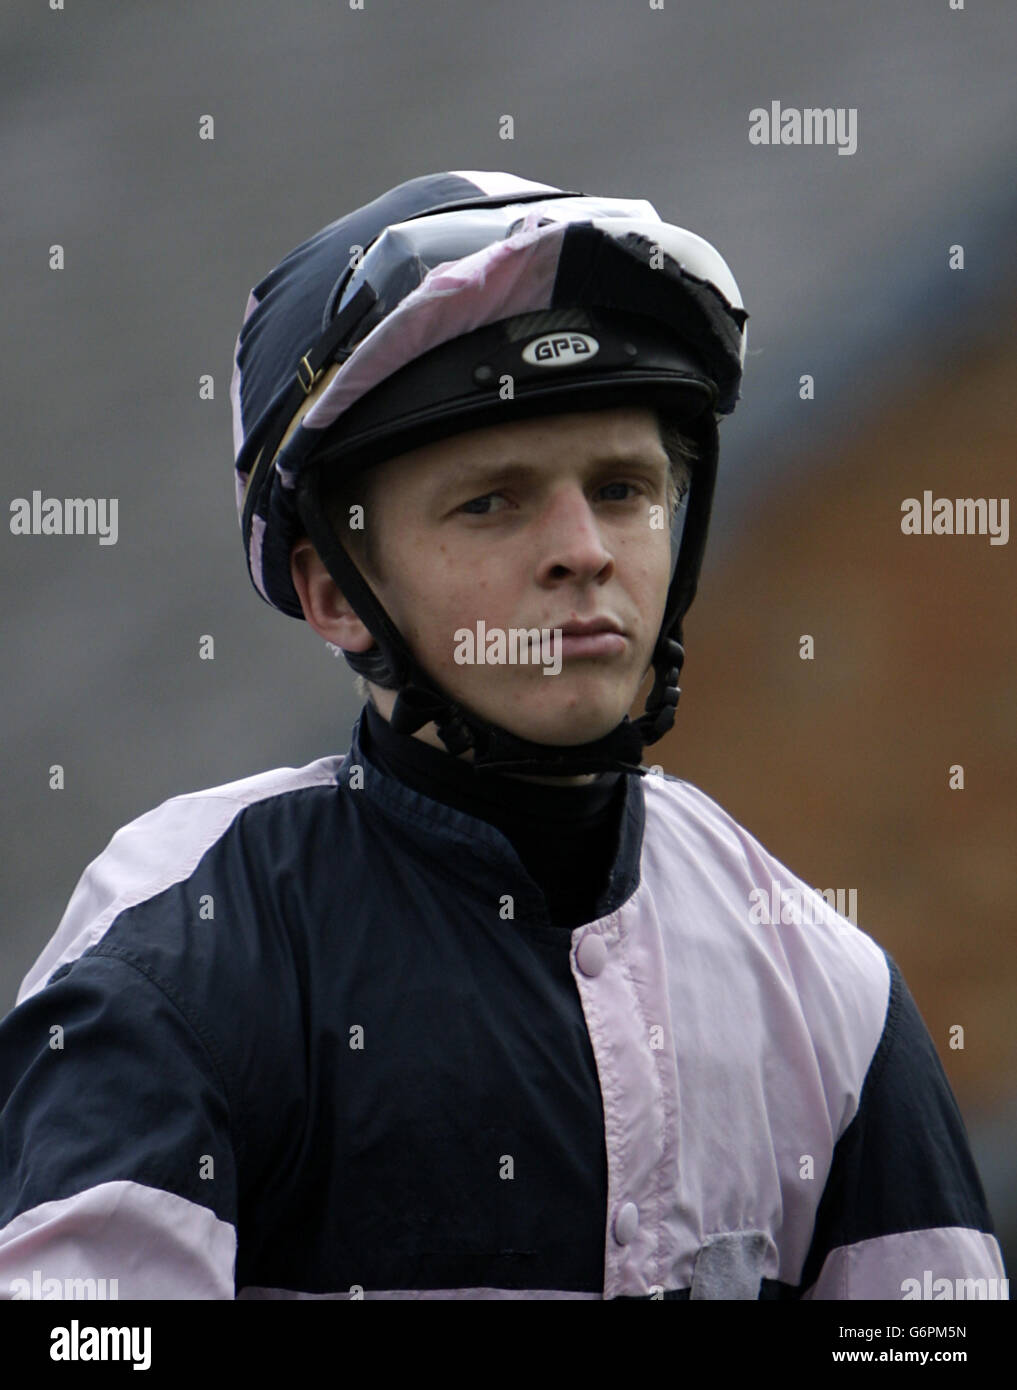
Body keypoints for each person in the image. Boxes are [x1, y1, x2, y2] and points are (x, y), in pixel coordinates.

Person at [0, 171, 1006, 1301]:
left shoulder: (828, 983)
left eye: (623, 488)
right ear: (334, 591)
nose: (584, 549)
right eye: (494, 501)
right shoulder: (187, 948)